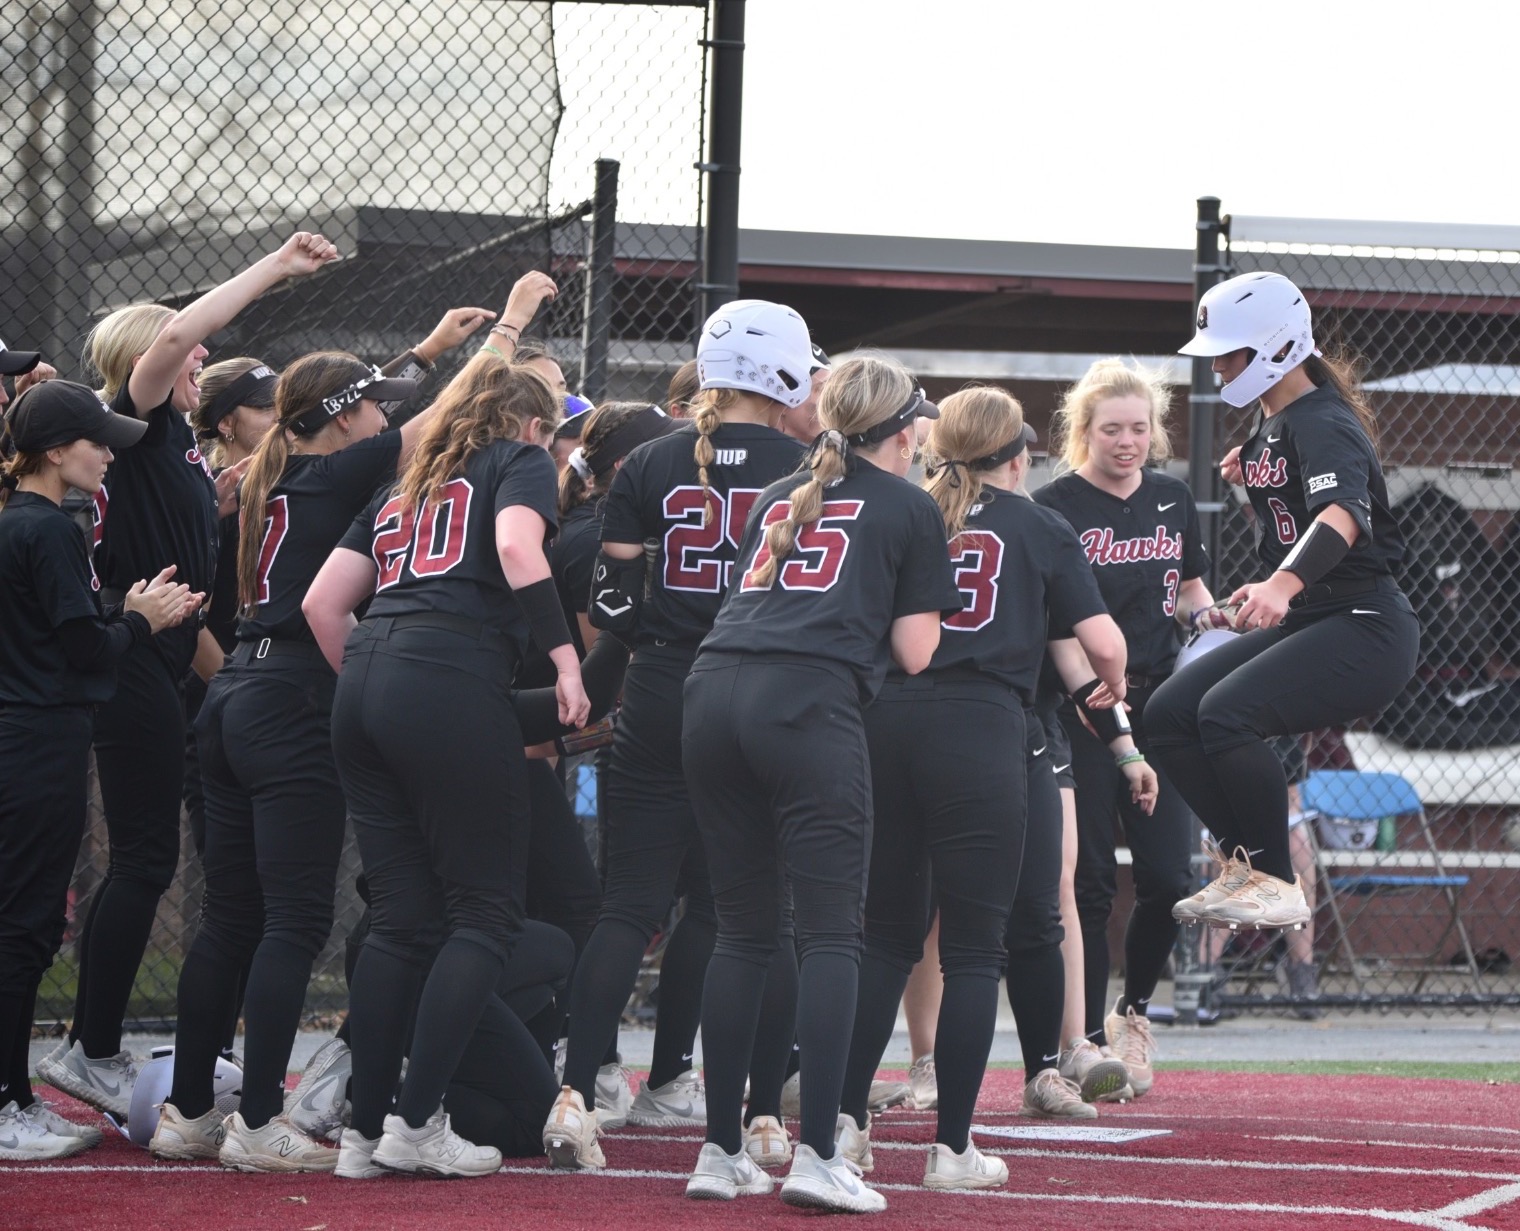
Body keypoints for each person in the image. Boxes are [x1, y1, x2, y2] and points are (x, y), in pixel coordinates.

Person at [153, 295, 541, 1170]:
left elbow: (391, 401)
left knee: (230, 915)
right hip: (291, 693)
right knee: (292, 920)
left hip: (233, 693)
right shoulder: (336, 472)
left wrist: (432, 343)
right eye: (370, 404)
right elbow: (440, 416)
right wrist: (506, 327)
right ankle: (257, 1121)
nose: (384, 413)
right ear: (342, 420)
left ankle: (189, 1110)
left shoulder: (277, 472)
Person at [37, 232, 338, 1120]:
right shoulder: (136, 422)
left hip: (165, 669)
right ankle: (89, 1047)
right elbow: (175, 342)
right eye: (181, 343)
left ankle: (93, 1043)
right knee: (142, 859)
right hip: (129, 672)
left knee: (151, 860)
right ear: (145, 359)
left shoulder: (173, 451)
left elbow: (194, 599)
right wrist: (274, 269)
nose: (199, 352)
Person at [679, 353, 960, 1212]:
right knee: (834, 930)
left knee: (741, 930)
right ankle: (816, 1153)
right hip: (803, 702)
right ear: (905, 430)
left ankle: (721, 1147)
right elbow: (916, 652)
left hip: (711, 692)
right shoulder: (911, 505)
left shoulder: (778, 495)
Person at [542, 301, 813, 1166]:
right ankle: (762, 1112)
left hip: (660, 687)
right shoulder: (813, 464)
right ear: (783, 372)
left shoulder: (652, 458)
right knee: (760, 914)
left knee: (629, 905)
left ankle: (579, 1095)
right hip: (766, 686)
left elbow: (611, 606)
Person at [303, 355, 588, 1179]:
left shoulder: (406, 486)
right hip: (449, 676)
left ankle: (363, 1134)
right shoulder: (521, 458)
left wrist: (384, 676)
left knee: (402, 914)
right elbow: (514, 544)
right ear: (536, 424)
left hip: (364, 682)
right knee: (486, 913)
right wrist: (566, 661)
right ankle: (416, 1119)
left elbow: (325, 605)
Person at [834, 386, 1124, 1191]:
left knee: (885, 937)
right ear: (1017, 454)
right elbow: (1104, 642)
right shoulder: (1038, 522)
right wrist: (1114, 686)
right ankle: (951, 1147)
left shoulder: (900, 508)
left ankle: (843, 1129)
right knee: (971, 949)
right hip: (981, 727)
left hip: (887, 719)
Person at [1148, 270, 1419, 929]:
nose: (1217, 367)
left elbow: (1343, 516)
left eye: (1229, 352)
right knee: (1169, 713)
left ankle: (1273, 877)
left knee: (1226, 712)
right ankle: (1247, 865)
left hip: (1367, 626)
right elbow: (1295, 538)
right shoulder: (1272, 426)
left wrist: (1283, 586)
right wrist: (1260, 586)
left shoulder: (1323, 419)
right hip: (1317, 616)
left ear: (1273, 346)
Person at [0, 381, 195, 1159]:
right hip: (37, 739)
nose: (109, 453)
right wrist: (139, 621)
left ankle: (16, 1095)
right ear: (54, 451)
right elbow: (85, 650)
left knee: (32, 922)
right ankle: (7, 1102)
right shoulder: (45, 530)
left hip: (32, 736)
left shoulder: (30, 523)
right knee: (23, 926)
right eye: (96, 441)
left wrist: (125, 618)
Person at [1032, 357, 1224, 1100]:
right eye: (1112, 428)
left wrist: (1212, 615)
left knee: (1170, 875)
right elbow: (1062, 628)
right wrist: (1102, 707)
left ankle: (1132, 1010)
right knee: (1082, 880)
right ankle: (1078, 1044)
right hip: (1079, 703)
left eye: (1140, 427)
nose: (1128, 441)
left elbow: (1189, 592)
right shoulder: (1056, 505)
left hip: (1160, 698)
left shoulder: (1174, 498)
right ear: (1084, 430)